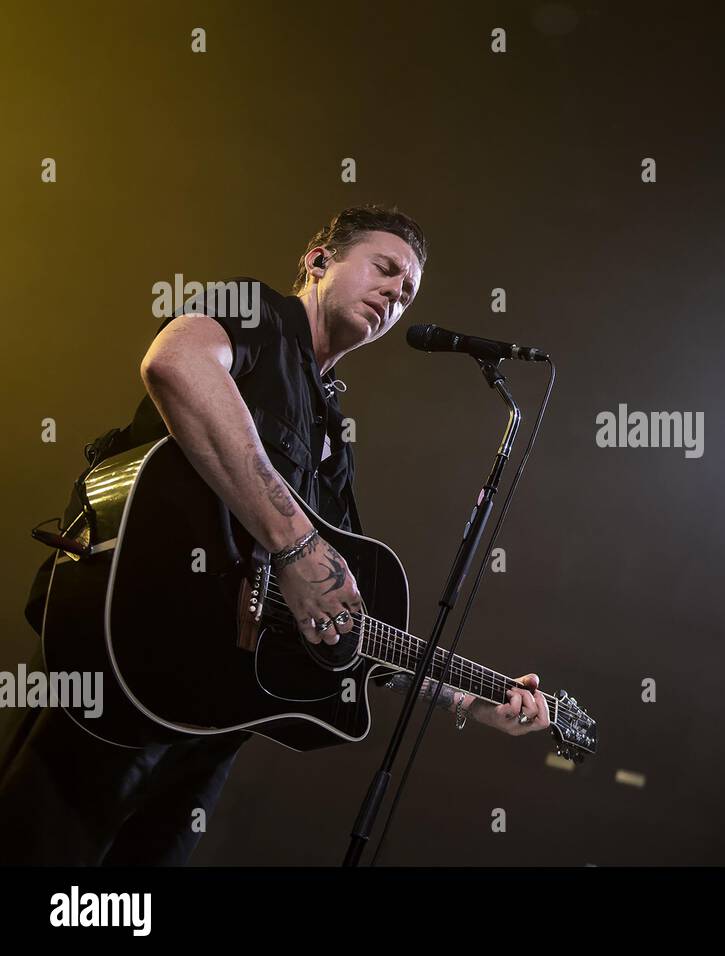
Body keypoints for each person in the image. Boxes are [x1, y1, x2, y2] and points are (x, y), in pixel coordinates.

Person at [0, 204, 550, 865]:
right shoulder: (254, 310)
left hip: (222, 707)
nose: (395, 295)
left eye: (408, 292)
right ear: (320, 260)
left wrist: (464, 696)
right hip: (133, 649)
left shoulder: (334, 437)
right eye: (384, 270)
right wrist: (295, 542)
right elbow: (176, 364)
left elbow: (345, 617)